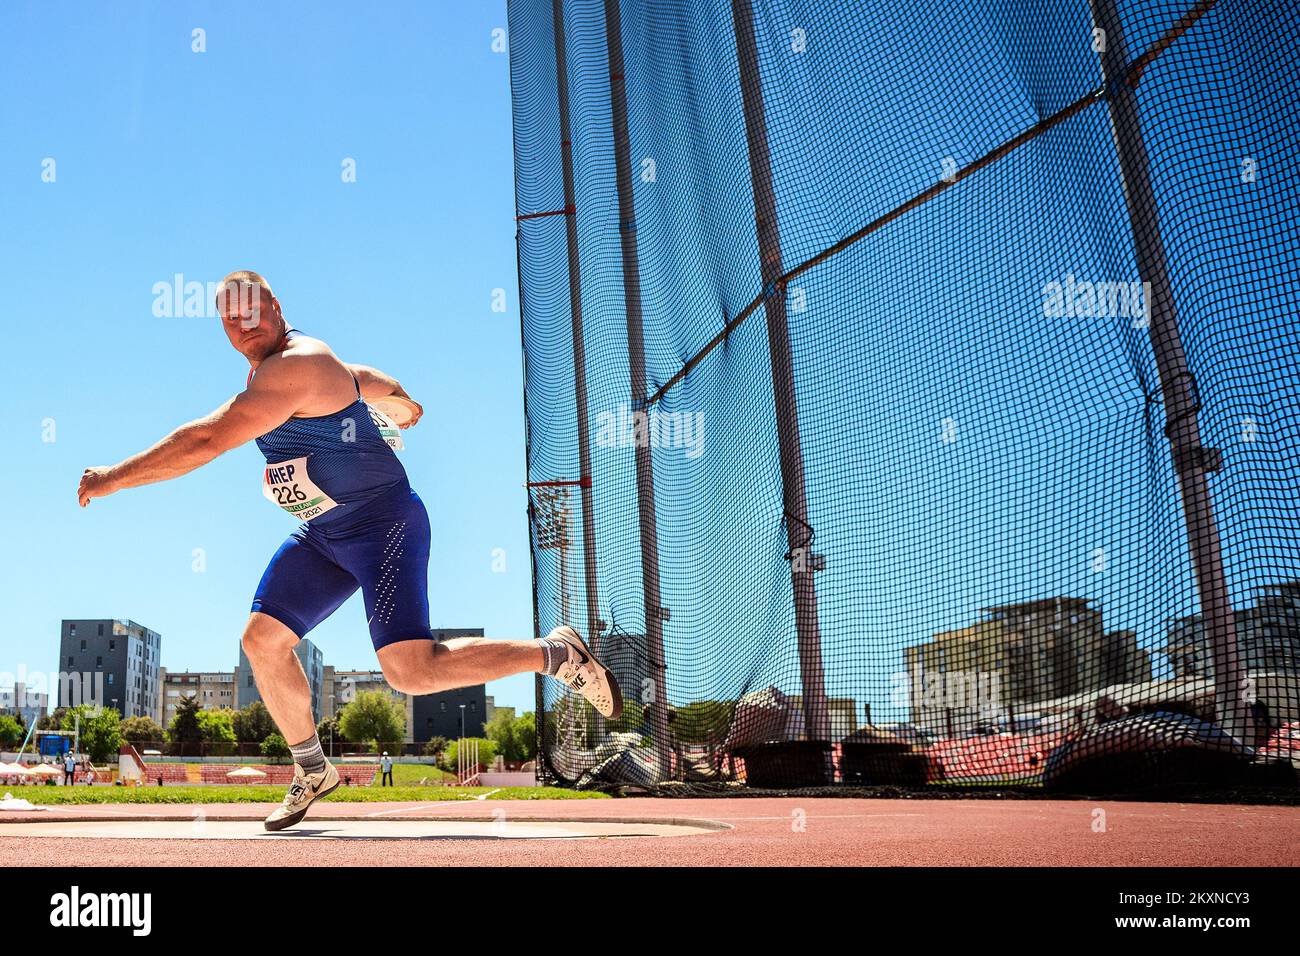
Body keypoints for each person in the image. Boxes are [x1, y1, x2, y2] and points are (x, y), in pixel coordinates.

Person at [77, 271, 621, 831]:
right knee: (262, 641)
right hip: (325, 535)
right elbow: (360, 377)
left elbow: (206, 440)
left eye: (251, 309)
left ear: (277, 307)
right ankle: (312, 768)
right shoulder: (281, 373)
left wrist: (113, 478)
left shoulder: (298, 363)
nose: (242, 324)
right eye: (228, 318)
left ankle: (555, 654)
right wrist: (401, 399)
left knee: (409, 672)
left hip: (383, 525)